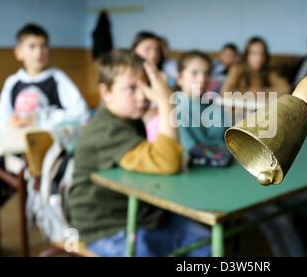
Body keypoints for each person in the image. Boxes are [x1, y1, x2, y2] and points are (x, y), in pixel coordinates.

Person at [68, 50, 211, 257]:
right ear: (106, 92)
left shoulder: (129, 120)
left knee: (207, 246)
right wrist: (166, 102)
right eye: (131, 88)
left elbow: (159, 161)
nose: (143, 96)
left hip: (144, 215)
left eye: (146, 86)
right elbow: (167, 163)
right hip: (108, 226)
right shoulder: (108, 130)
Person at [0, 23, 89, 129]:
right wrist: (9, 123)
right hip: (17, 140)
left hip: (50, 142)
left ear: (49, 51)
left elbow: (81, 114)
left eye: (43, 46)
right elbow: (2, 118)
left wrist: (41, 119)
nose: (39, 52)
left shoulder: (57, 78)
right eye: (32, 47)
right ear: (18, 53)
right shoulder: (12, 82)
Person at [220, 37, 290, 96]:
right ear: (247, 55)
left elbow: (286, 88)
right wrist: (249, 92)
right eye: (254, 53)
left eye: (262, 54)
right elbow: (224, 91)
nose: (259, 58)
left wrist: (263, 91)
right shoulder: (237, 69)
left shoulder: (268, 71)